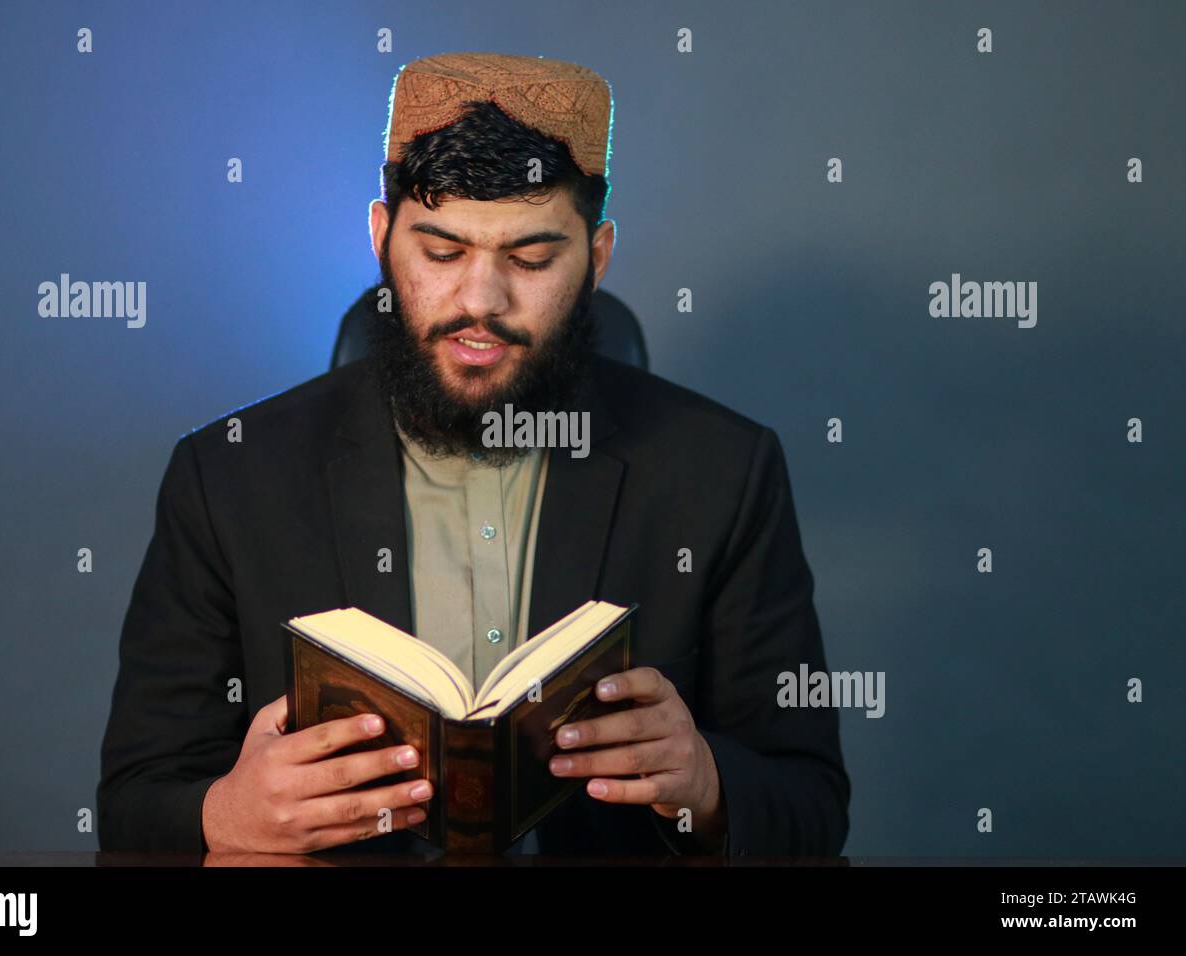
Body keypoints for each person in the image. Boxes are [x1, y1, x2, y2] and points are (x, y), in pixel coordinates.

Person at [97, 52, 849, 858]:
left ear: (596, 259)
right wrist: (228, 815)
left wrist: (705, 783)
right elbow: (135, 802)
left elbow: (811, 806)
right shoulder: (228, 477)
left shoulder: (725, 471)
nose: (479, 303)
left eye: (530, 259)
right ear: (383, 240)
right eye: (442, 252)